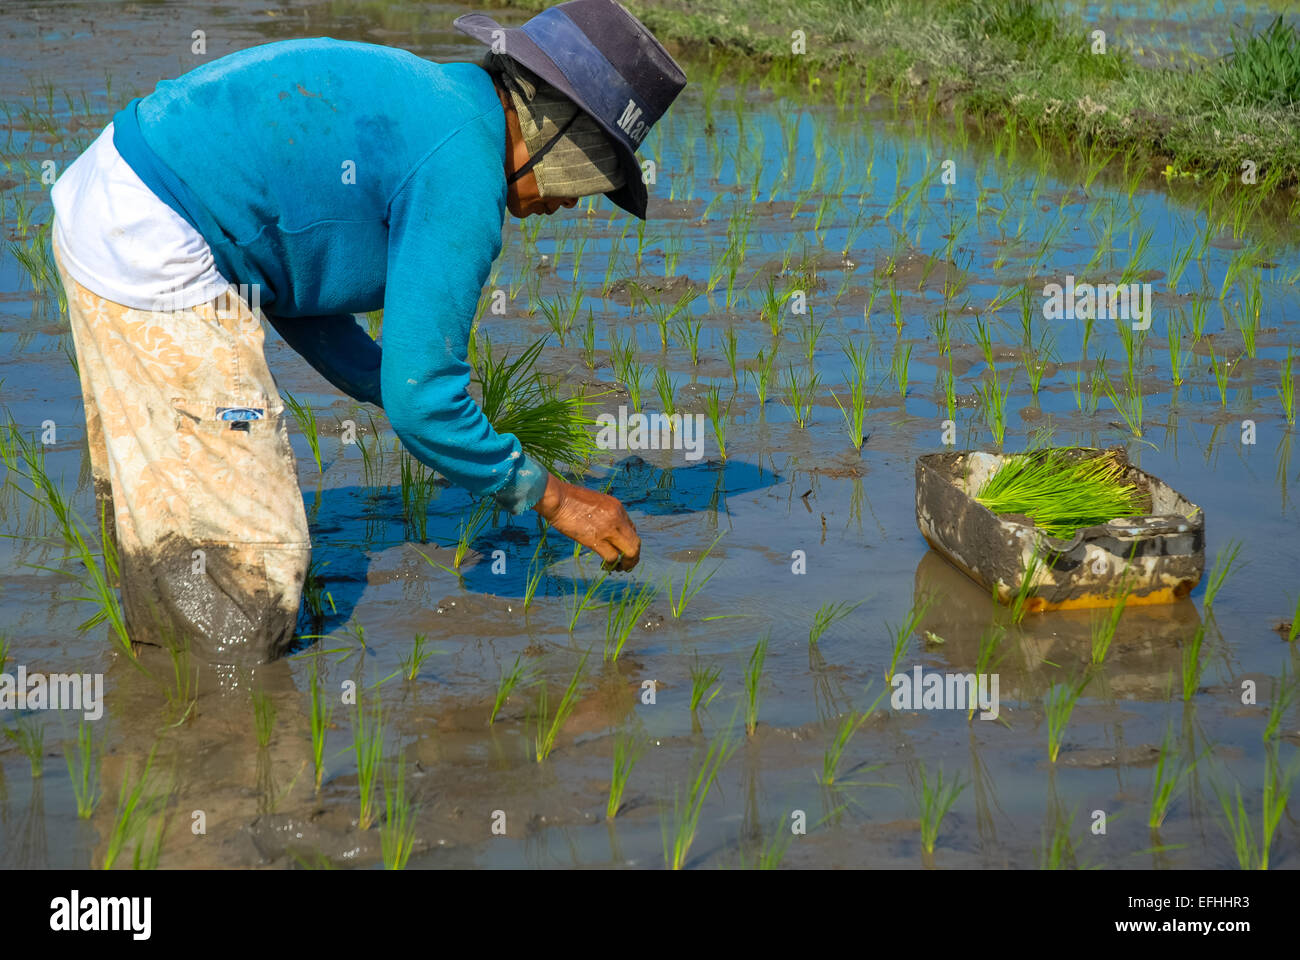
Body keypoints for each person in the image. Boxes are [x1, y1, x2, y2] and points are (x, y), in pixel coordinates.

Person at [49, 0, 687, 665]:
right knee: (252, 568)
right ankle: (226, 734)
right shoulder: (464, 171)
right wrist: (558, 501)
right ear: (558, 128)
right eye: (591, 175)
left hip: (113, 192)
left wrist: (397, 389)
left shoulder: (440, 104)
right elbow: (423, 404)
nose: (572, 201)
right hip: (157, 241)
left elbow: (294, 287)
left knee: (170, 522)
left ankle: (165, 695)